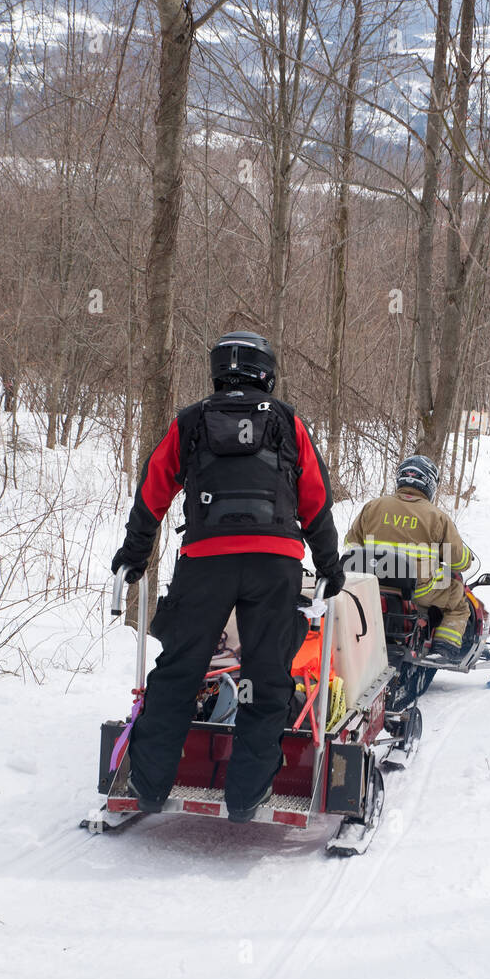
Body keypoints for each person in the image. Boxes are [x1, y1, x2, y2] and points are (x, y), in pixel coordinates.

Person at [111, 331, 344, 822]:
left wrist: (134, 554)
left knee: (179, 671)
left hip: (206, 561)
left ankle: (149, 786)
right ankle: (245, 795)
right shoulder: (287, 421)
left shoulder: (191, 421)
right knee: (266, 678)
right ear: (268, 373)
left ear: (217, 372)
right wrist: (329, 566)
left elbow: (153, 490)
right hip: (274, 563)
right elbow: (315, 500)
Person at [344, 454, 472, 661]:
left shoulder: (372, 506)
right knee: (457, 598)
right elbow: (458, 561)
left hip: (370, 587)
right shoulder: (437, 517)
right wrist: (465, 560)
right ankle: (445, 644)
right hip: (417, 591)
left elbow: (351, 546)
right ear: (429, 483)